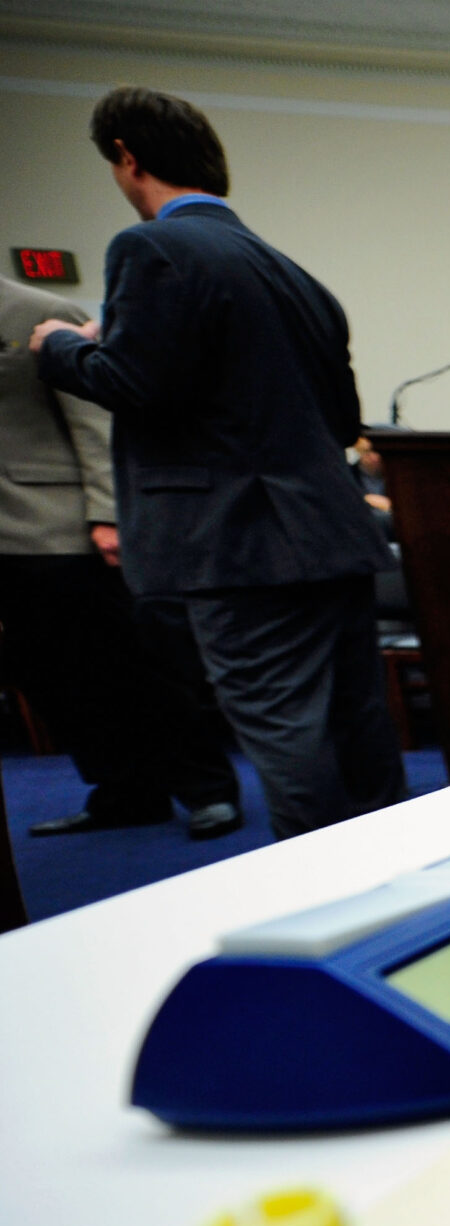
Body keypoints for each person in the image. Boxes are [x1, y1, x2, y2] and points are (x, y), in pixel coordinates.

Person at [33, 86, 404, 840]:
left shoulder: (149, 248)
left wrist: (61, 347)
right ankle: (398, 866)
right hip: (328, 527)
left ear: (126, 158)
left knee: (279, 719)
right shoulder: (299, 276)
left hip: (238, 540)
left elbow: (134, 383)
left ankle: (321, 890)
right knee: (355, 719)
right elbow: (341, 421)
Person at [1, 271, 241, 838]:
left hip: (56, 523)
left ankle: (208, 789)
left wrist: (107, 513)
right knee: (47, 674)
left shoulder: (35, 307)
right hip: (4, 540)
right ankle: (125, 790)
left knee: (132, 665)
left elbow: (93, 420)